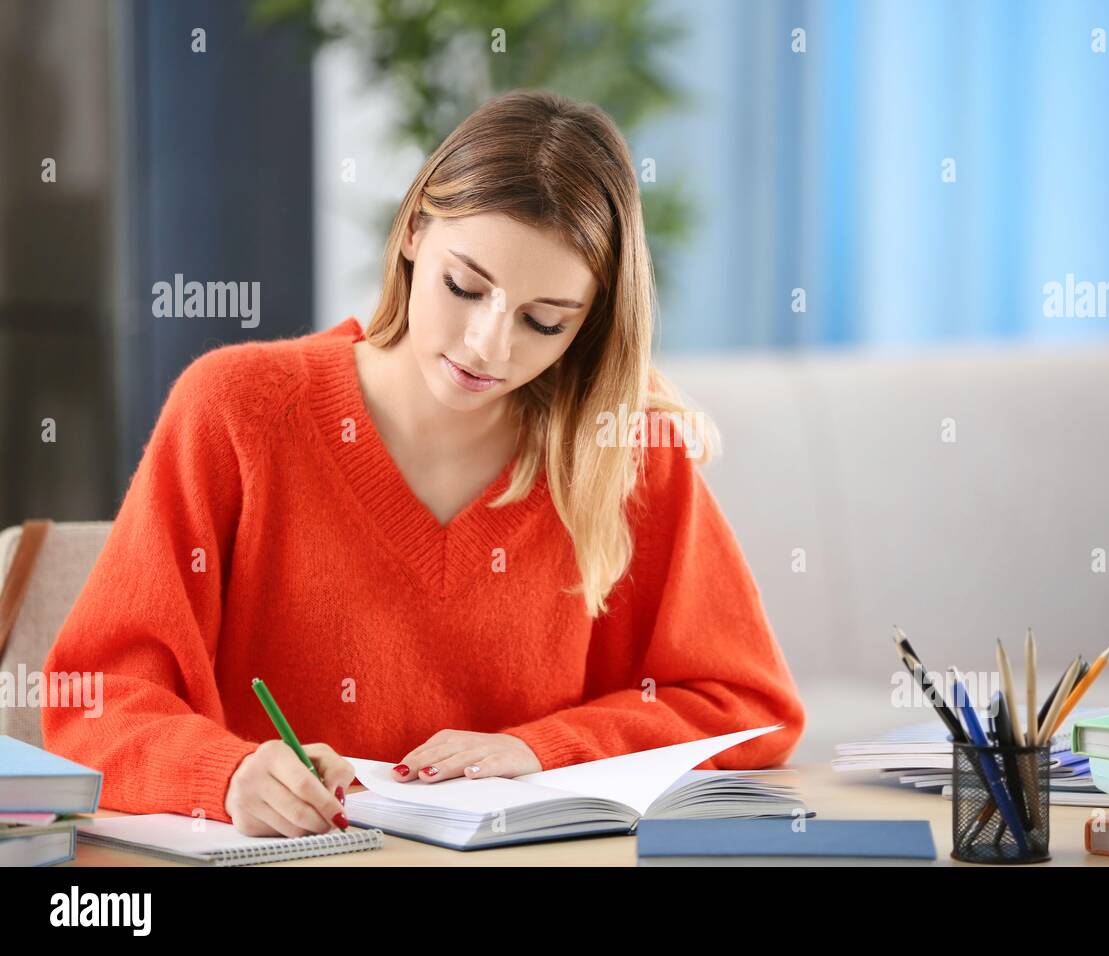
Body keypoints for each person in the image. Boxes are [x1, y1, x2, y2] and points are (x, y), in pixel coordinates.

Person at [41, 89, 805, 838]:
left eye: (545, 322)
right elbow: (95, 698)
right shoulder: (237, 409)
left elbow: (747, 703)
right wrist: (227, 775)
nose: (488, 347)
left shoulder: (623, 450)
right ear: (412, 231)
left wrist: (541, 751)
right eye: (464, 287)